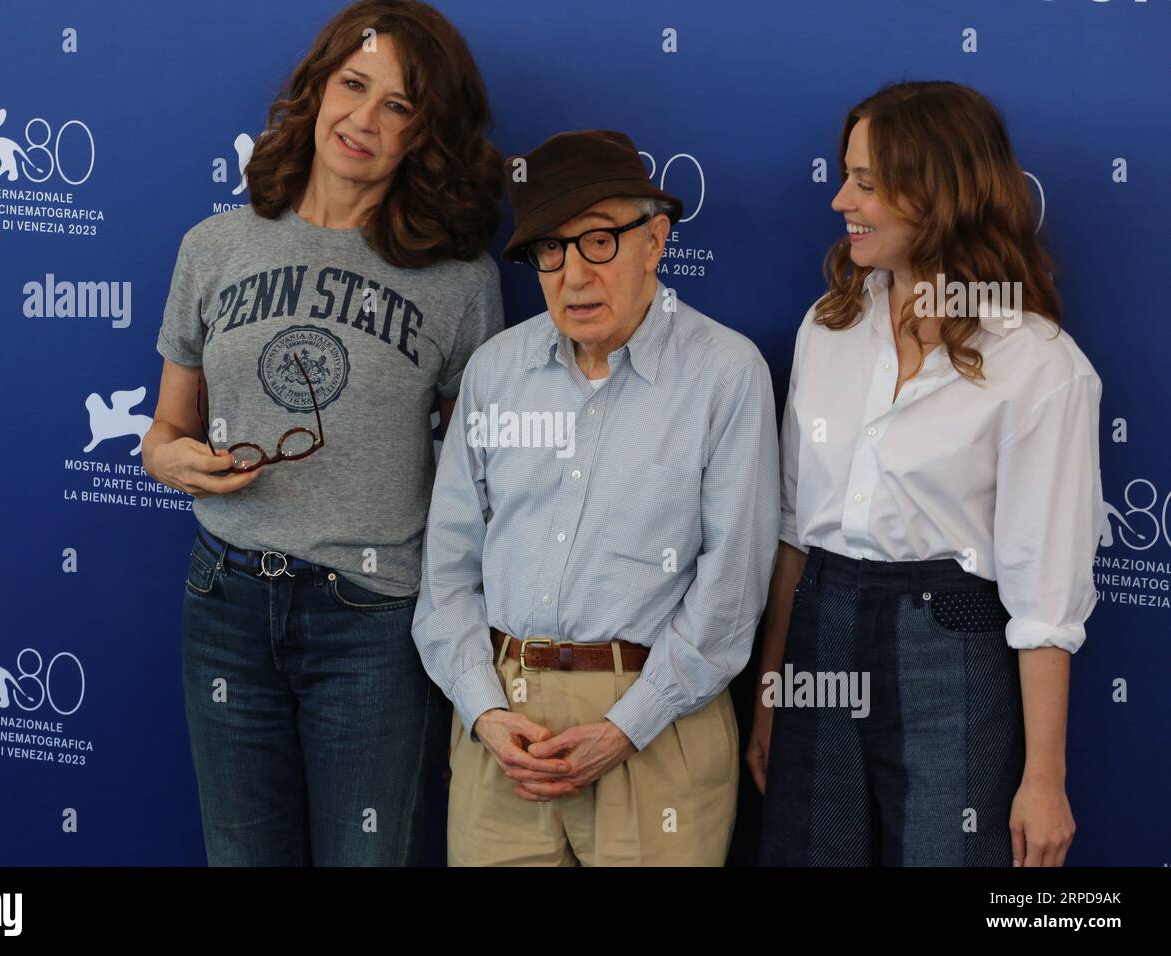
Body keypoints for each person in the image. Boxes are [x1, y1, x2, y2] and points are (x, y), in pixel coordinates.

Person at [141, 0, 505, 866]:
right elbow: (164, 428)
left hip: (372, 619)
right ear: (316, 89)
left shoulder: (460, 282)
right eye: (354, 85)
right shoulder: (214, 247)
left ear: (424, 135)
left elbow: (476, 479)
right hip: (224, 600)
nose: (364, 119)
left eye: (399, 106)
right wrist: (170, 459)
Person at [750, 81, 1102, 867]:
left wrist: (1044, 777)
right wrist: (772, 692)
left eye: (867, 182)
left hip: (954, 648)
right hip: (821, 633)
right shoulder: (827, 326)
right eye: (847, 175)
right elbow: (791, 533)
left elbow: (1045, 597)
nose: (841, 198)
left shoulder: (1039, 365)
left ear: (939, 191)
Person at [412, 129, 781, 866]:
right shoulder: (493, 373)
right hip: (501, 732)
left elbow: (731, 593)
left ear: (655, 241)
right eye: (550, 250)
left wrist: (625, 726)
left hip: (657, 728)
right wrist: (485, 713)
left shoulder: (725, 374)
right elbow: (447, 572)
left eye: (599, 242)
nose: (573, 276)